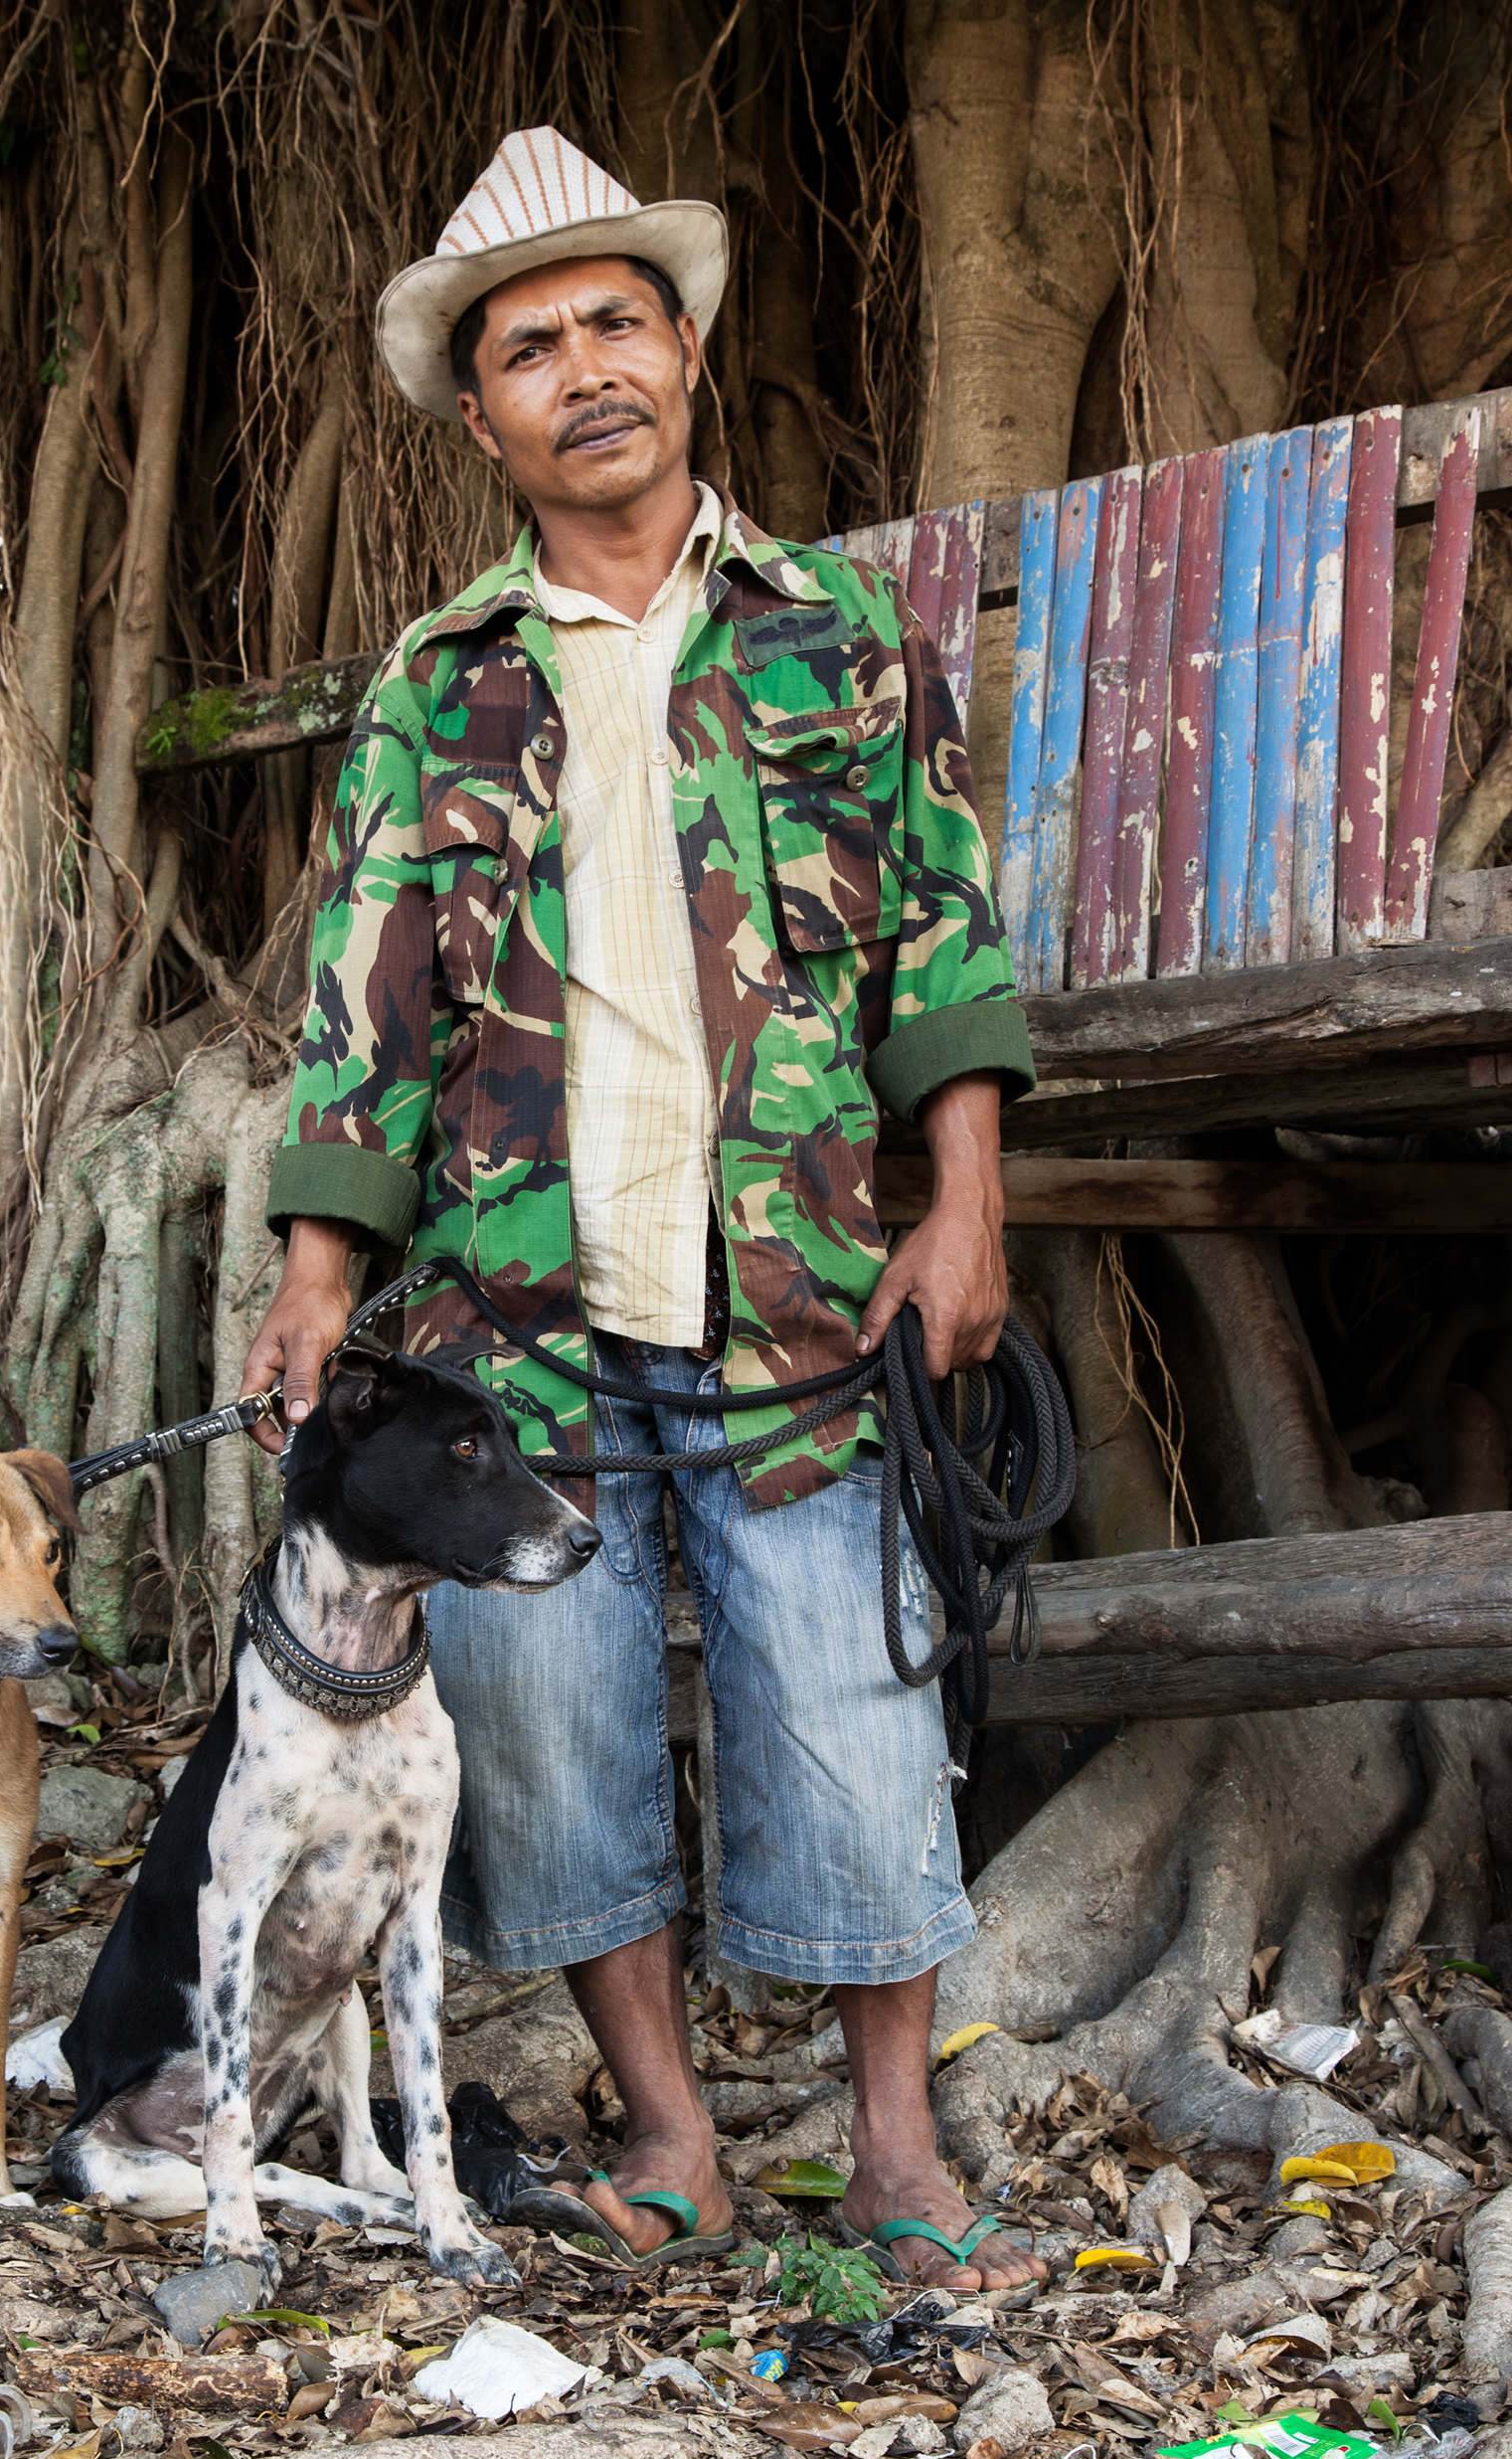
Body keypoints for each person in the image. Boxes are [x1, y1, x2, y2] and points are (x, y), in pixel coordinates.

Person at [242, 130, 1045, 2291]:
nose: (583, 366)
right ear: (481, 412)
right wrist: (319, 1278)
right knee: (549, 1727)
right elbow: (368, 996)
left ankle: (892, 2143)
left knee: (848, 1706)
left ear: (681, 352)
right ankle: (672, 2133)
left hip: (793, 1285)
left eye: (617, 320)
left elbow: (942, 950)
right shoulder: (438, 680)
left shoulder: (837, 629)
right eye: (532, 345)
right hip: (518, 1318)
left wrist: (961, 1208)